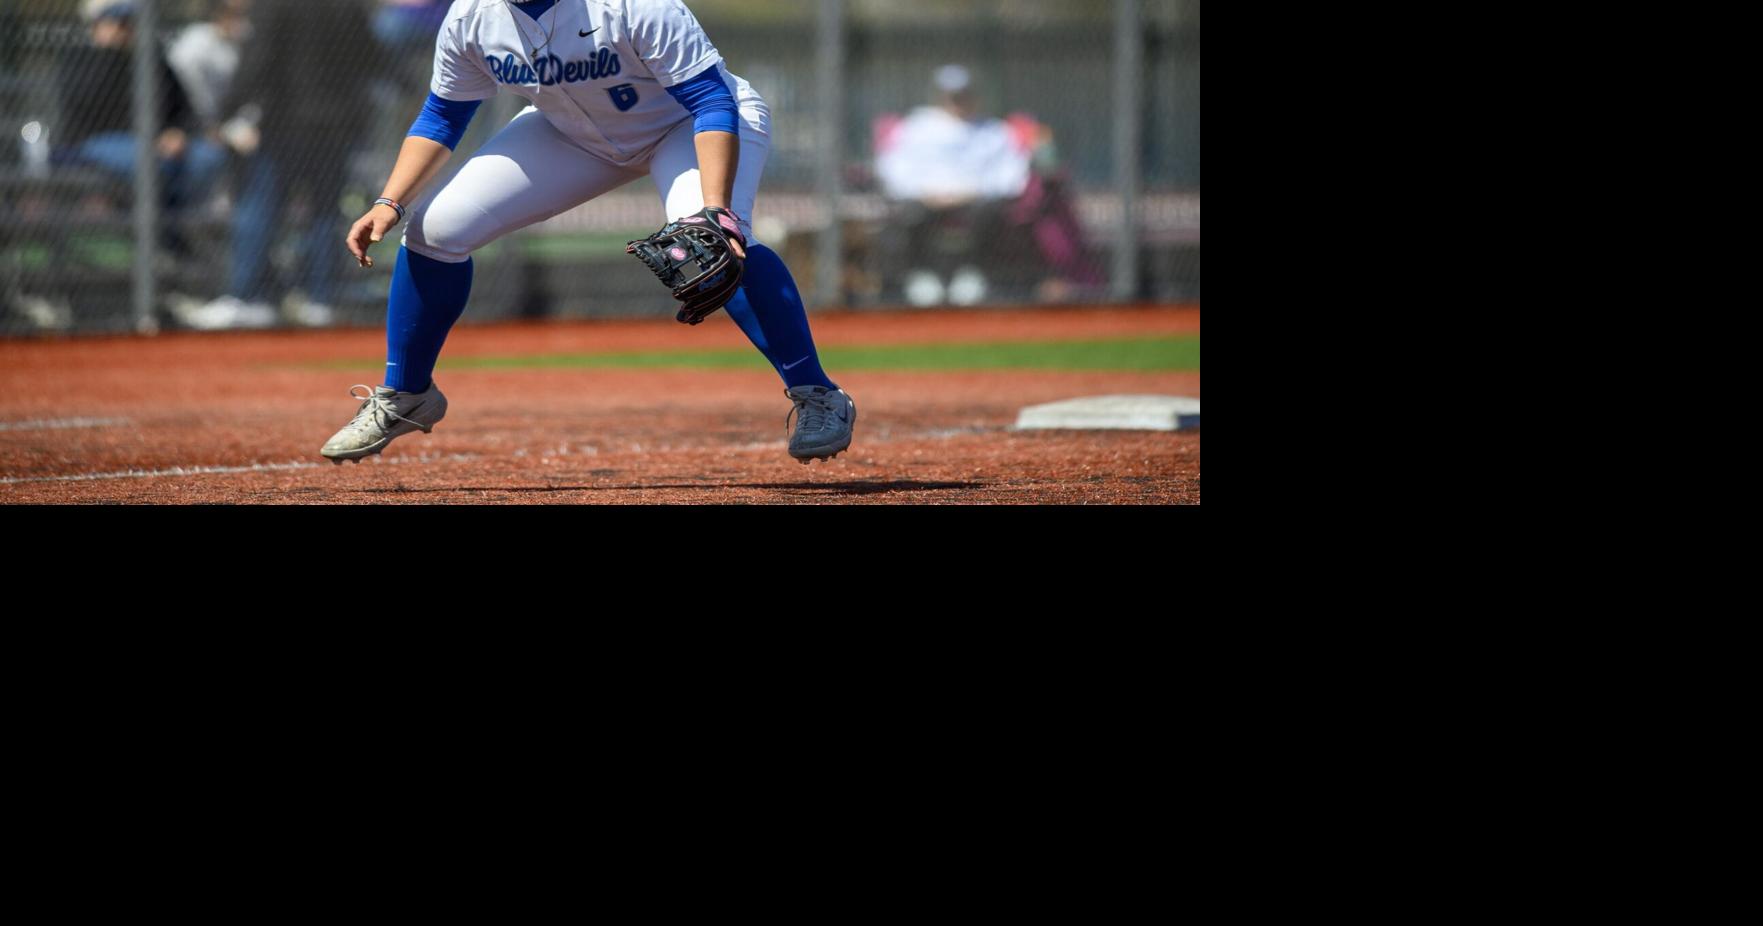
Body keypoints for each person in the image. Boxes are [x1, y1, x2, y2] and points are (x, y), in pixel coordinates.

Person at [322, 0, 855, 466]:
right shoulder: (472, 17)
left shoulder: (629, 5)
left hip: (686, 124)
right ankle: (408, 393)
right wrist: (390, 201)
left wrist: (716, 210)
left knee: (710, 242)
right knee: (435, 230)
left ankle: (818, 393)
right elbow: (442, 115)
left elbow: (710, 100)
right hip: (574, 135)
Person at [182, 0, 378, 330]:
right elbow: (371, 56)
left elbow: (257, 61)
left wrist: (225, 113)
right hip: (337, 123)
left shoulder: (275, 5)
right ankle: (320, 298)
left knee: (260, 208)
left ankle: (250, 297)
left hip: (284, 123)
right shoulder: (345, 5)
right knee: (325, 213)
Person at [874, 64, 1099, 305]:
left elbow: (1010, 175)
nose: (957, 102)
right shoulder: (915, 128)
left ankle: (971, 273)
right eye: (952, 96)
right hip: (924, 200)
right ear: (940, 97)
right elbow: (894, 170)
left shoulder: (994, 130)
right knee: (909, 214)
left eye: (962, 96)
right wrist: (928, 194)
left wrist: (972, 193)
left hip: (978, 201)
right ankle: (921, 274)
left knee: (990, 212)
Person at [57, 1, 226, 227]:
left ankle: (169, 228)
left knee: (209, 157)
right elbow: (94, 112)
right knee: (152, 162)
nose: (125, 29)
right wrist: (111, 53)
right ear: (97, 26)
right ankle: (160, 233)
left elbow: (183, 108)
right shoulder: (81, 59)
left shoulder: (152, 60)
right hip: (96, 141)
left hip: (156, 142)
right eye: (118, 23)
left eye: (129, 23)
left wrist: (179, 133)